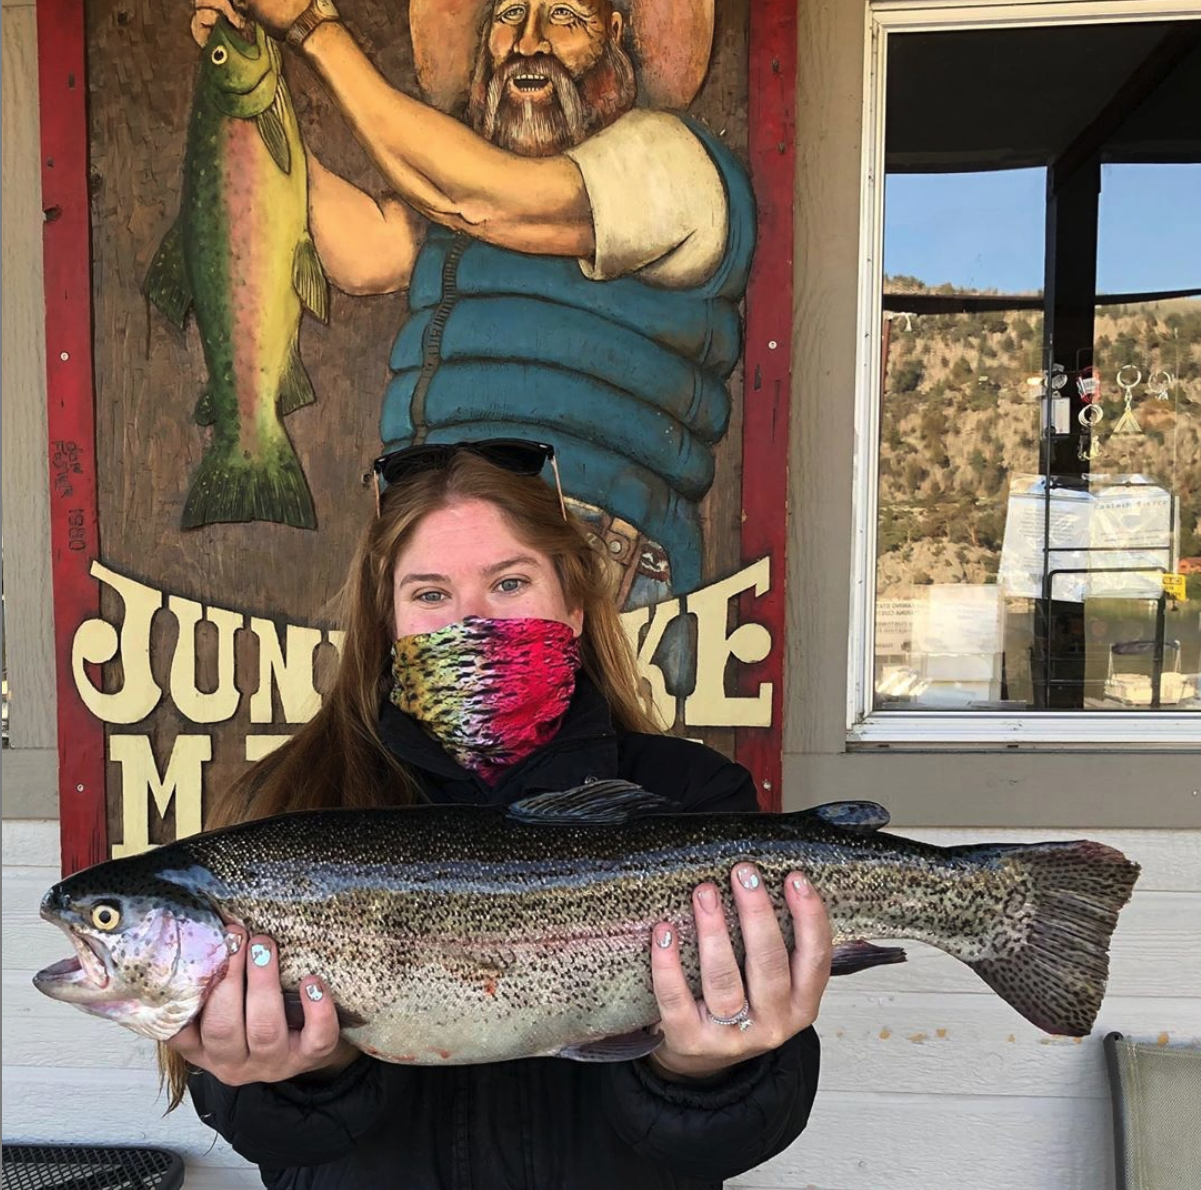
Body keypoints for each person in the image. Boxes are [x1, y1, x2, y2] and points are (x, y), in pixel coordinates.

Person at [163, 438, 831, 1189]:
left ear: (572, 605)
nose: (470, 622)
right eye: (429, 594)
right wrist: (296, 1076)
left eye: (508, 583)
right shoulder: (282, 807)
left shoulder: (692, 798)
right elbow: (273, 1141)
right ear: (386, 620)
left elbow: (735, 1137)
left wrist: (700, 1068)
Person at [188, 0, 755, 606]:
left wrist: (313, 28)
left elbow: (481, 199)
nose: (528, 42)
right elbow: (366, 254)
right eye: (512, 13)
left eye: (564, 15)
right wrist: (255, 87)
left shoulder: (670, 158)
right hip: (438, 543)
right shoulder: (459, 195)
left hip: (585, 556)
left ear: (615, 34)